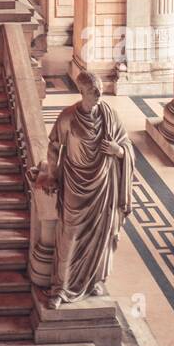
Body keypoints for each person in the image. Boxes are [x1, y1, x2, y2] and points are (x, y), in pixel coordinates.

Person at [35, 69, 134, 307]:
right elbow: (54, 147)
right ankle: (61, 287)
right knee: (71, 234)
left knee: (101, 232)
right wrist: (52, 175)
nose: (99, 94)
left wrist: (118, 152)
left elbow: (126, 145)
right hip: (76, 185)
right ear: (81, 92)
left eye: (100, 89)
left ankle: (94, 280)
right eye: (93, 91)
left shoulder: (110, 115)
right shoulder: (68, 117)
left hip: (104, 184)